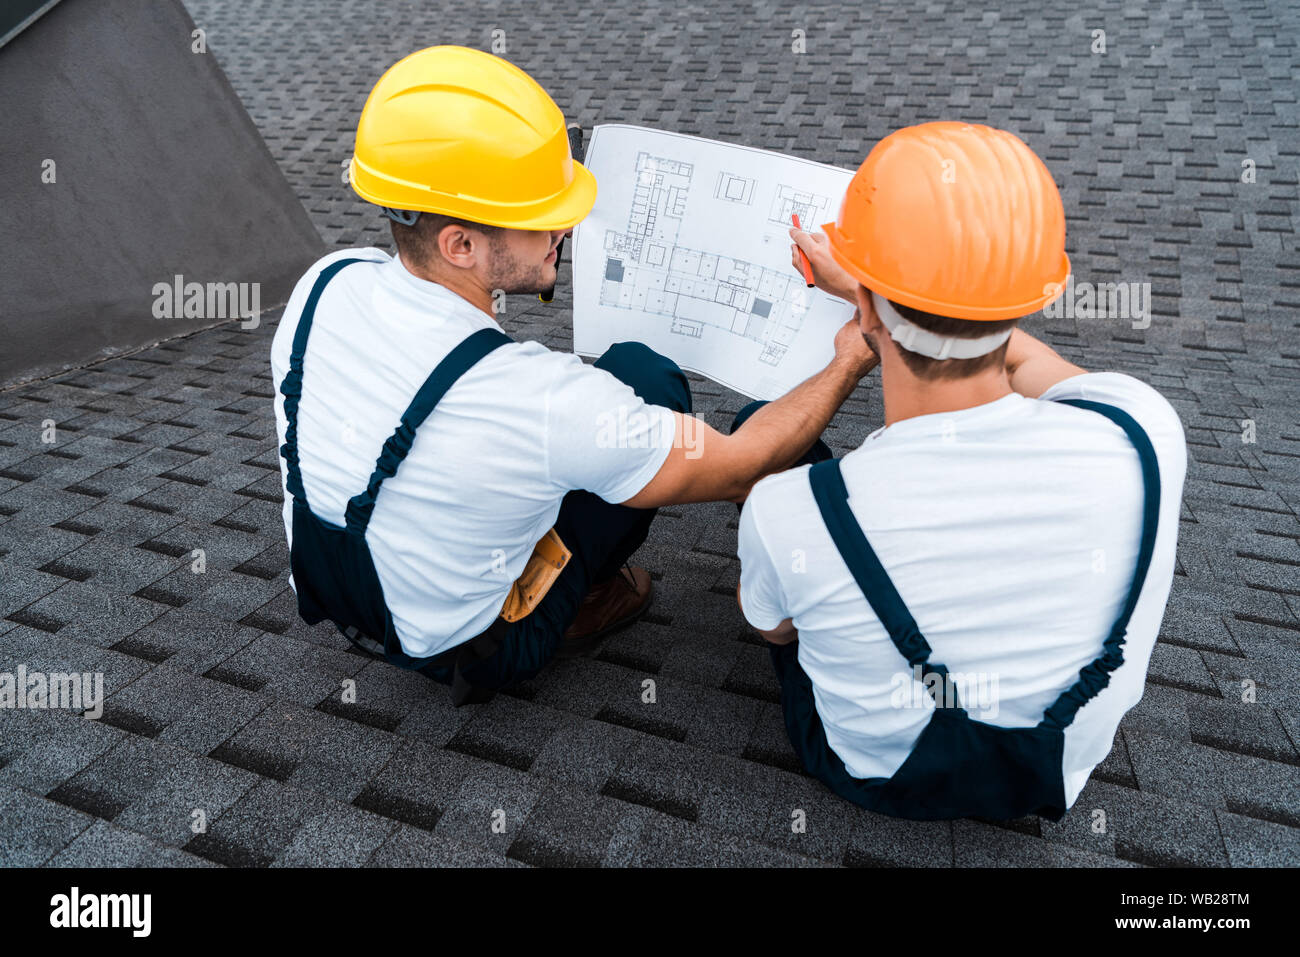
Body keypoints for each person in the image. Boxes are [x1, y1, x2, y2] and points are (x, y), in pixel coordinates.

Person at [270, 46, 877, 705]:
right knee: (649, 382)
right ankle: (576, 602)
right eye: (540, 218)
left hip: (342, 593)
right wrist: (852, 351)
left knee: (619, 390)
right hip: (474, 640)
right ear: (460, 244)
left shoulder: (324, 283)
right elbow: (736, 464)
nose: (566, 225)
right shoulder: (538, 397)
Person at [735, 121, 1187, 820]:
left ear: (864, 310)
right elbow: (1023, 358)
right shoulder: (1145, 428)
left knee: (766, 448)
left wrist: (870, 296)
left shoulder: (791, 509)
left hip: (874, 772)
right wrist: (890, 290)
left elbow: (776, 632)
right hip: (1056, 768)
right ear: (1027, 298)